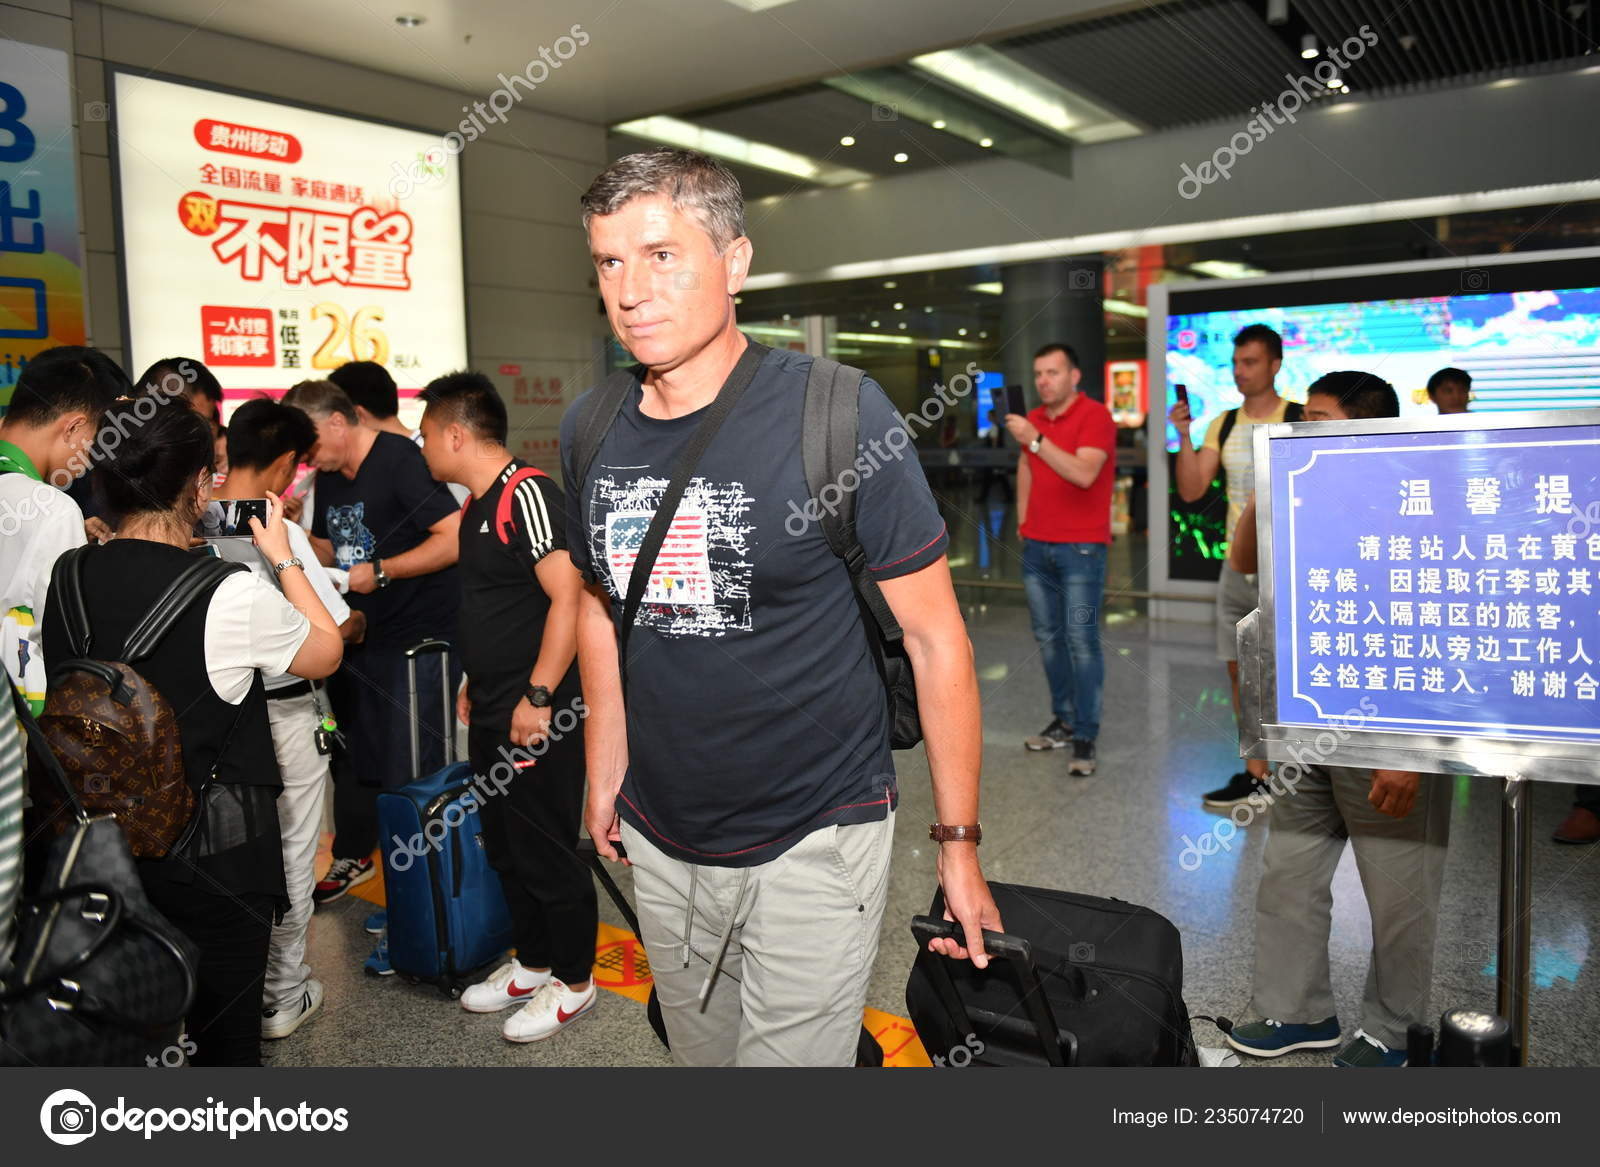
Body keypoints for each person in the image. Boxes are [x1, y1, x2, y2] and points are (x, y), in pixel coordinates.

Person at [565, 148, 999, 1067]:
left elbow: (935, 638)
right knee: (701, 1061)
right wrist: (605, 760)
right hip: (663, 832)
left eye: (661, 255)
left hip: (816, 831)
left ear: (735, 262)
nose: (630, 290)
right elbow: (601, 604)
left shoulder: (839, 415)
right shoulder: (591, 427)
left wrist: (957, 845)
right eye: (609, 262)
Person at [41, 398, 343, 1066]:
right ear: (201, 485)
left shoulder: (67, 574)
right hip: (213, 862)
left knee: (123, 1033)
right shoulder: (228, 591)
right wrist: (283, 555)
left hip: (95, 852)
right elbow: (326, 650)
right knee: (223, 1045)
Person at [1225, 370, 1451, 1069]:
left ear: (1364, 426)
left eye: (1316, 419)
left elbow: (1440, 631)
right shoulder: (1298, 493)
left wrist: (1412, 749)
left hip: (1385, 729)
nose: (1300, 427)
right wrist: (1270, 480)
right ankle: (1295, 1012)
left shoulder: (1412, 506)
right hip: (1303, 719)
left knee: (1397, 892)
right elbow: (1243, 565)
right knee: (1287, 873)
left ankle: (1394, 1029)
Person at [417, 371, 598, 1042]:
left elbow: (568, 595)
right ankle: (534, 959)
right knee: (505, 845)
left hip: (537, 710)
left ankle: (576, 979)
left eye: (427, 433)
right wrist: (475, 675)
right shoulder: (475, 505)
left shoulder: (527, 495)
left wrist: (540, 693)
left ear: (457, 434)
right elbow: (496, 605)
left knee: (546, 846)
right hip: (494, 703)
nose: (423, 444)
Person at [212, 398, 367, 1040]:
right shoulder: (279, 532)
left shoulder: (187, 518)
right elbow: (331, 631)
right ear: (283, 464)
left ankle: (228, 992)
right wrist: (356, 617)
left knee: (227, 858)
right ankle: (279, 996)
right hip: (284, 712)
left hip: (213, 720)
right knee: (294, 853)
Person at [279, 379, 462, 924]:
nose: (306, 455)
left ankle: (423, 889)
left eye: (309, 440)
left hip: (414, 641)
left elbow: (451, 536)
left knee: (410, 766)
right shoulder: (328, 478)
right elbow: (336, 548)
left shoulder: (398, 460)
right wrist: (294, 535)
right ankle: (364, 860)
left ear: (338, 421)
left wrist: (383, 571)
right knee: (356, 759)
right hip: (355, 636)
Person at [1170, 323, 1300, 811]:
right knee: (1240, 670)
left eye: (1251, 362)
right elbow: (1191, 490)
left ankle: (1296, 769)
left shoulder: (1298, 417)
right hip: (1235, 567)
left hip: (1285, 568)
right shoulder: (1222, 424)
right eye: (1236, 363)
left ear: (1274, 365)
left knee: (1286, 672)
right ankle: (1257, 772)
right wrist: (1183, 434)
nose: (1241, 372)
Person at [1006, 343, 1116, 774]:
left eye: (1052, 373)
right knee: (1048, 639)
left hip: (1082, 548)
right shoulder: (1033, 420)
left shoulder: (1096, 417)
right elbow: (1026, 470)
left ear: (1074, 376)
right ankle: (1064, 720)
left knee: (1081, 642)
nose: (1043, 381)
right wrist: (1022, 521)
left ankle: (1086, 734)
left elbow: (1084, 473)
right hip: (1037, 544)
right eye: (1038, 374)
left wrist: (1035, 440)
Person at [1, 347, 126, 714]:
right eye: (99, 438)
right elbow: (69, 640)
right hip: (22, 719)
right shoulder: (53, 509)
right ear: (73, 426)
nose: (94, 457)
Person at [330, 360, 470, 505]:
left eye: (335, 419)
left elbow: (460, 519)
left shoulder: (438, 454)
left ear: (357, 414)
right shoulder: (358, 464)